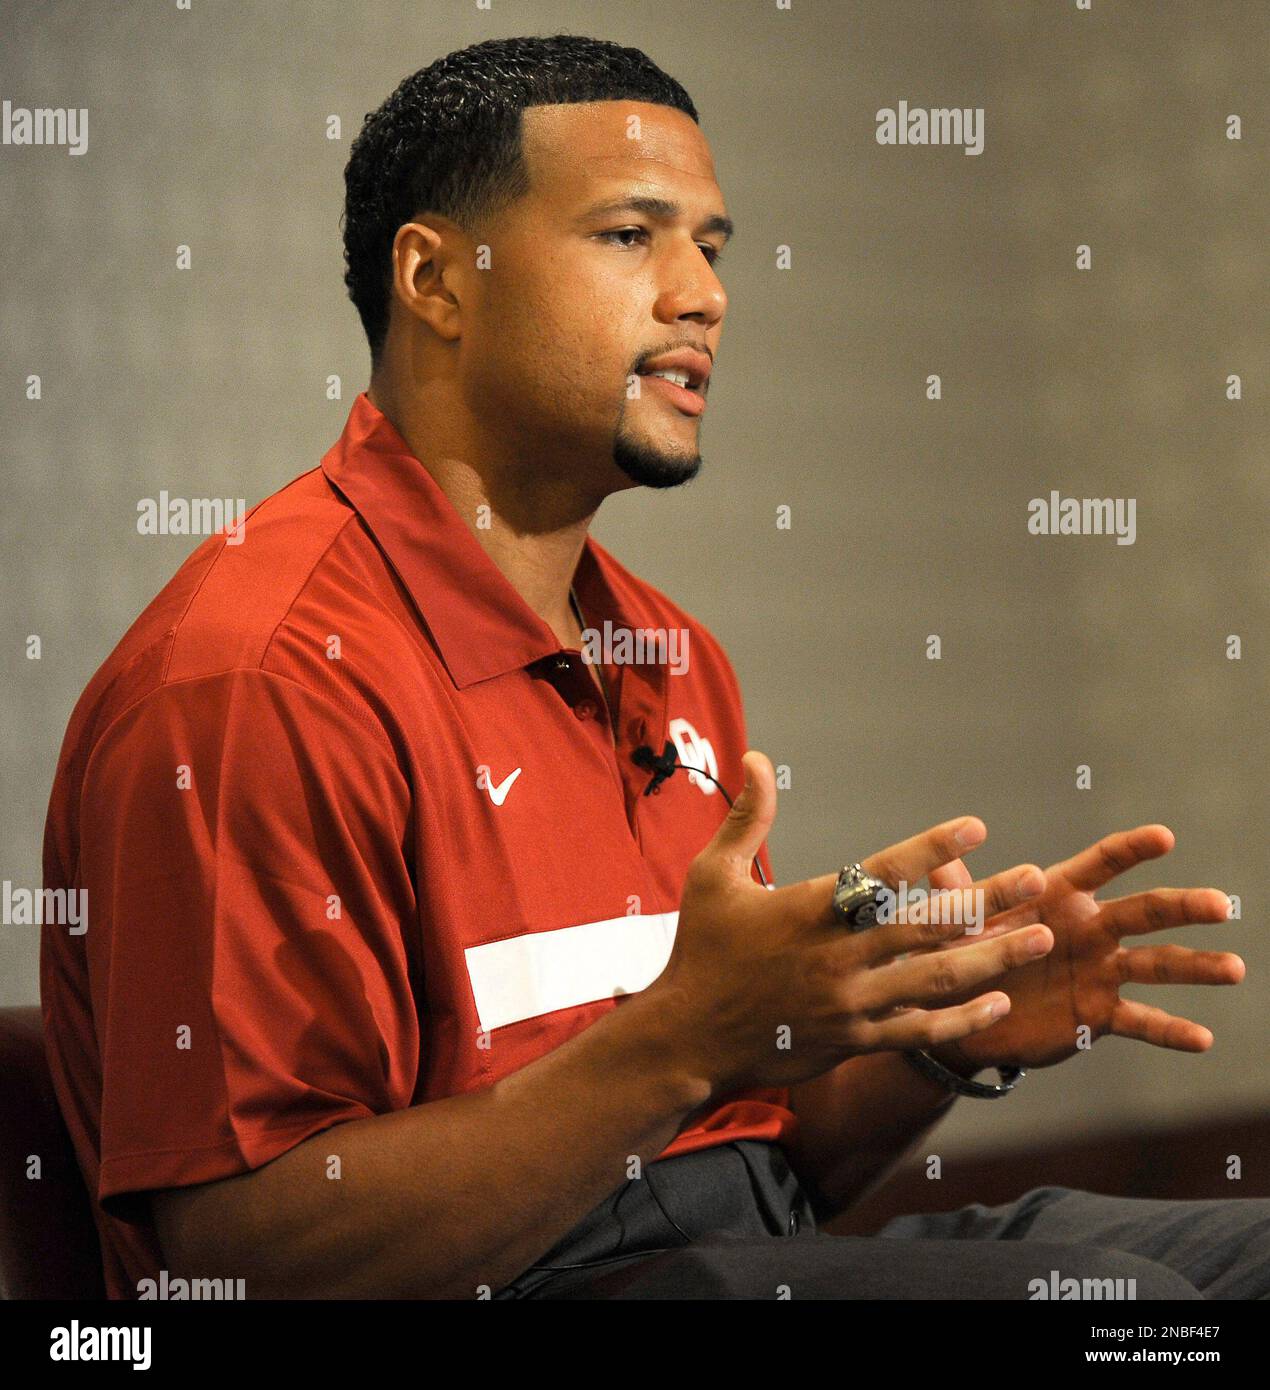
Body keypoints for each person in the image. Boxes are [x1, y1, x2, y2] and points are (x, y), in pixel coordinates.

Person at [40, 34, 1265, 1301]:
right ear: (436, 280)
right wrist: (680, 1039)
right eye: (631, 235)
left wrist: (945, 1034)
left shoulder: (668, 652)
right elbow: (246, 1262)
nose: (703, 296)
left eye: (712, 249)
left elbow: (757, 1168)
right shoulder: (258, 680)